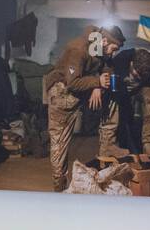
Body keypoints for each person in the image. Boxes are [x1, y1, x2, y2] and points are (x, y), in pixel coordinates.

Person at [43, 24, 125, 191]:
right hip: (62, 93)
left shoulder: (100, 48)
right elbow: (72, 83)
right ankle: (59, 187)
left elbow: (107, 66)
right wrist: (96, 82)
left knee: (111, 96)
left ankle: (108, 145)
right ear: (103, 42)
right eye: (113, 48)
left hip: (80, 89)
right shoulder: (78, 49)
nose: (113, 53)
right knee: (59, 143)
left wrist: (98, 87)